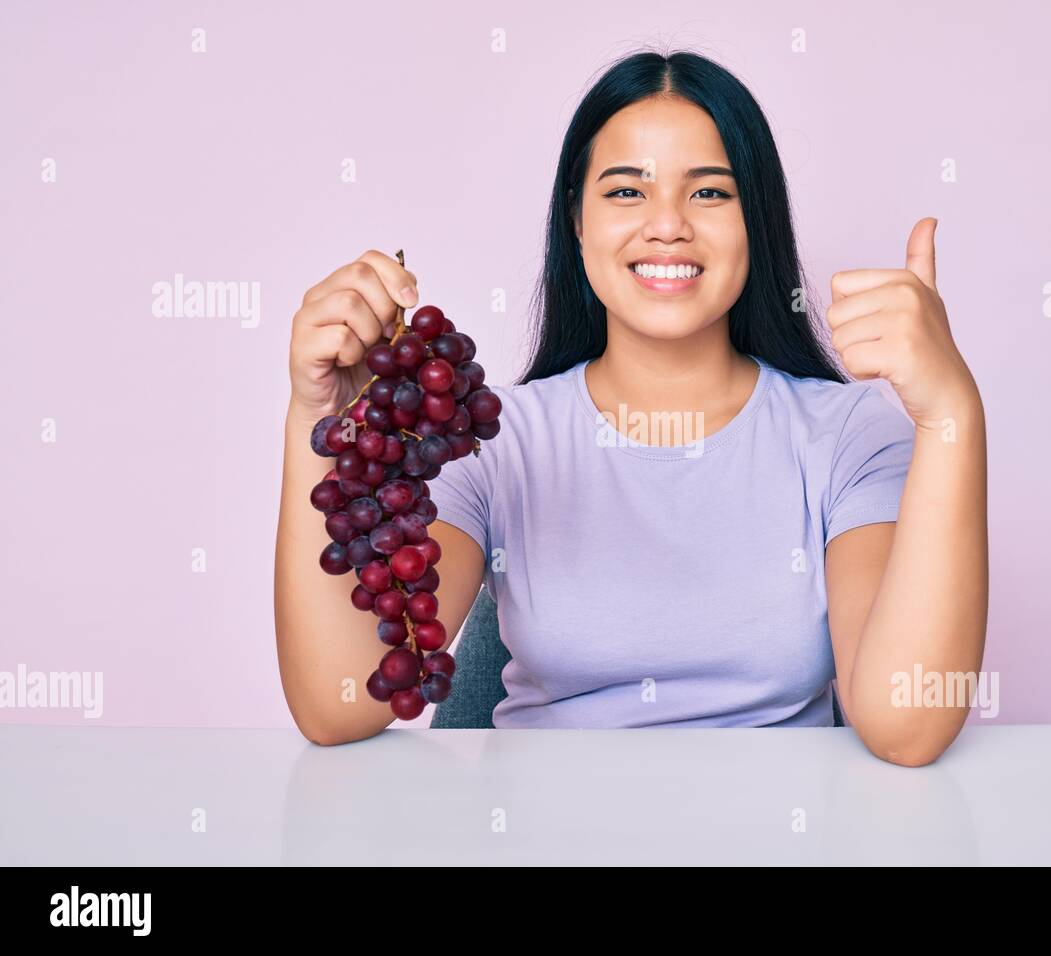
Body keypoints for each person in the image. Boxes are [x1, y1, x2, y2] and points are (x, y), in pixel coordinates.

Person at [275, 50, 987, 763]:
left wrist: (949, 409)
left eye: (710, 193)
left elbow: (907, 724)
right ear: (577, 223)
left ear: (757, 224)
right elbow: (340, 703)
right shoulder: (495, 440)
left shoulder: (846, 435)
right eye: (625, 192)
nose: (668, 225)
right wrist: (316, 413)